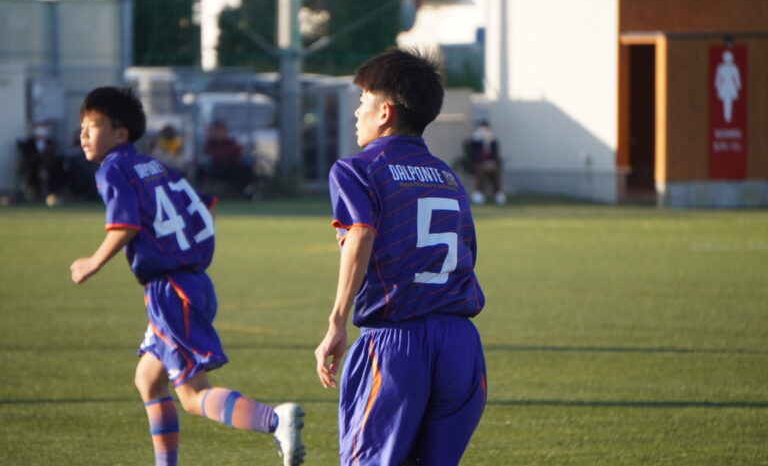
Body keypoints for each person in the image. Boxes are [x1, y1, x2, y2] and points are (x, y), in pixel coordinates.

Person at [69, 87, 305, 466]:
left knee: (194, 396)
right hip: (191, 283)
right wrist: (187, 254)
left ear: (120, 133)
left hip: (171, 291)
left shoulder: (112, 168)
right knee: (148, 378)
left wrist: (92, 263)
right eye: (81, 127)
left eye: (92, 126)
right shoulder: (156, 166)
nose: (82, 135)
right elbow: (205, 207)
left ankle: (275, 420)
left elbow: (124, 225)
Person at [314, 48, 487, 466]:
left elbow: (361, 232)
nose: (357, 112)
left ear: (385, 111)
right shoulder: (449, 177)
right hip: (461, 346)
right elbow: (468, 253)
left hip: (397, 344)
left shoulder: (356, 169)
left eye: (362, 101)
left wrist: (337, 322)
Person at [16, 119, 65, 205]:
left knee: (58, 168)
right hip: (33, 167)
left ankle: (53, 192)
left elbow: (54, 155)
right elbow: (28, 157)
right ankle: (34, 192)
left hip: (50, 167)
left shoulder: (50, 142)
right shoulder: (29, 143)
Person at [466, 120, 506, 205]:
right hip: (477, 164)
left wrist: (491, 162)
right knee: (481, 169)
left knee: (496, 169)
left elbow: (495, 155)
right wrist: (484, 163)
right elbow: (472, 156)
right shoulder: (473, 142)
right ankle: (479, 192)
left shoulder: (493, 142)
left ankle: (498, 192)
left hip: (491, 164)